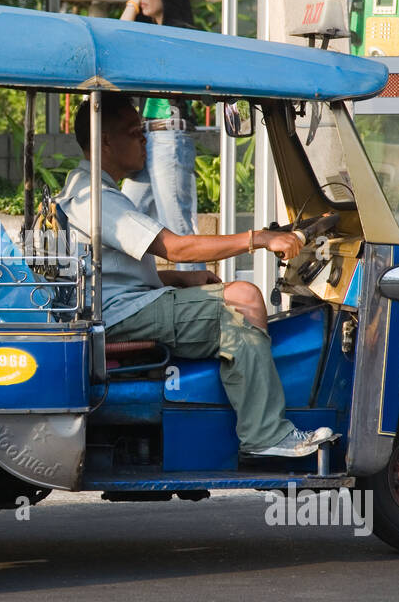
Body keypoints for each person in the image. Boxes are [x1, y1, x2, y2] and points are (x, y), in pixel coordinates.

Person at [56, 93, 335, 459]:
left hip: (119, 305)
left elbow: (112, 272)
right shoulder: (97, 197)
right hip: (120, 316)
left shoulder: (91, 188)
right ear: (105, 141)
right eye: (135, 132)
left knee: (220, 289)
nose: (144, 139)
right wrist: (259, 239)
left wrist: (179, 279)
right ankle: (265, 433)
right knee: (245, 298)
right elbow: (178, 248)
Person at [119, 0, 204, 272]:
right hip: (151, 138)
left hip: (169, 137)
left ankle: (200, 300)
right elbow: (118, 40)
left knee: (178, 225)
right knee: (127, 216)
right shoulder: (152, 33)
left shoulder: (179, 35)